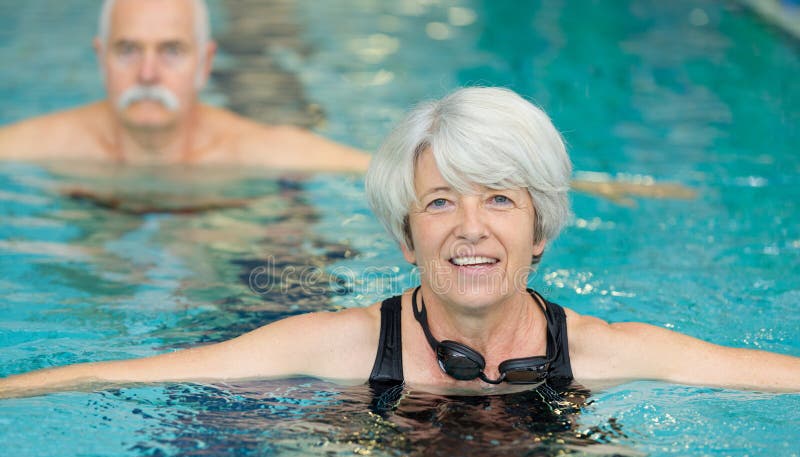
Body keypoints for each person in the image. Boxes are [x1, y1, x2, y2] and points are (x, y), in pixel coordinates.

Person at [2, 86, 796, 399]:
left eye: (499, 199)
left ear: (541, 229)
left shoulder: (603, 351)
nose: (471, 228)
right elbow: (126, 372)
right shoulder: (340, 343)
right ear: (407, 234)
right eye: (441, 201)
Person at [0, 0, 370, 172]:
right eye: (128, 50)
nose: (147, 74)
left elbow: (387, 175)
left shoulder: (249, 151)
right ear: (101, 59)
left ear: (205, 63)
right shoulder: (46, 144)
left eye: (171, 50)